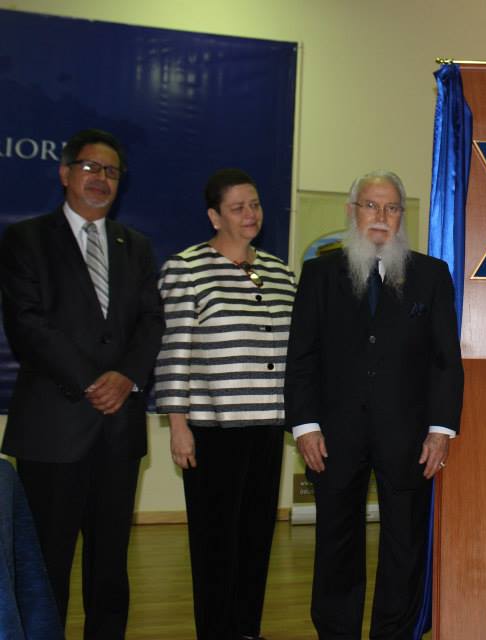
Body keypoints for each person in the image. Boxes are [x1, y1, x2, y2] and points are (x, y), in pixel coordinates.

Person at [284, 170, 464, 639]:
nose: (381, 217)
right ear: (352, 212)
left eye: (391, 208)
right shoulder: (320, 273)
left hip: (408, 438)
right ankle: (337, 632)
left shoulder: (430, 275)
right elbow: (301, 356)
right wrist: (305, 426)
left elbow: (446, 360)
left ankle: (395, 631)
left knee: (405, 543)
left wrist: (441, 429)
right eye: (371, 206)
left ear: (402, 216)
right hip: (334, 436)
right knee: (335, 542)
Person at [0, 128, 163, 638]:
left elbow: (151, 321)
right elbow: (27, 325)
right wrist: (97, 381)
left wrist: (128, 377)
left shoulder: (134, 246)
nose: (101, 180)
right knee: (45, 561)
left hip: (118, 432)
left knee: (110, 562)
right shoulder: (25, 238)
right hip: (53, 430)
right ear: (65, 173)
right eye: (92, 168)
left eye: (112, 172)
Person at [153, 168, 296, 640]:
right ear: (214, 216)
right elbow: (174, 352)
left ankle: (247, 630)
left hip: (267, 426)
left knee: (257, 539)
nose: (250, 214)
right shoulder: (186, 267)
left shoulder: (279, 270)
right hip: (213, 428)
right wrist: (178, 425)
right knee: (216, 543)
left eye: (254, 204)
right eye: (237, 207)